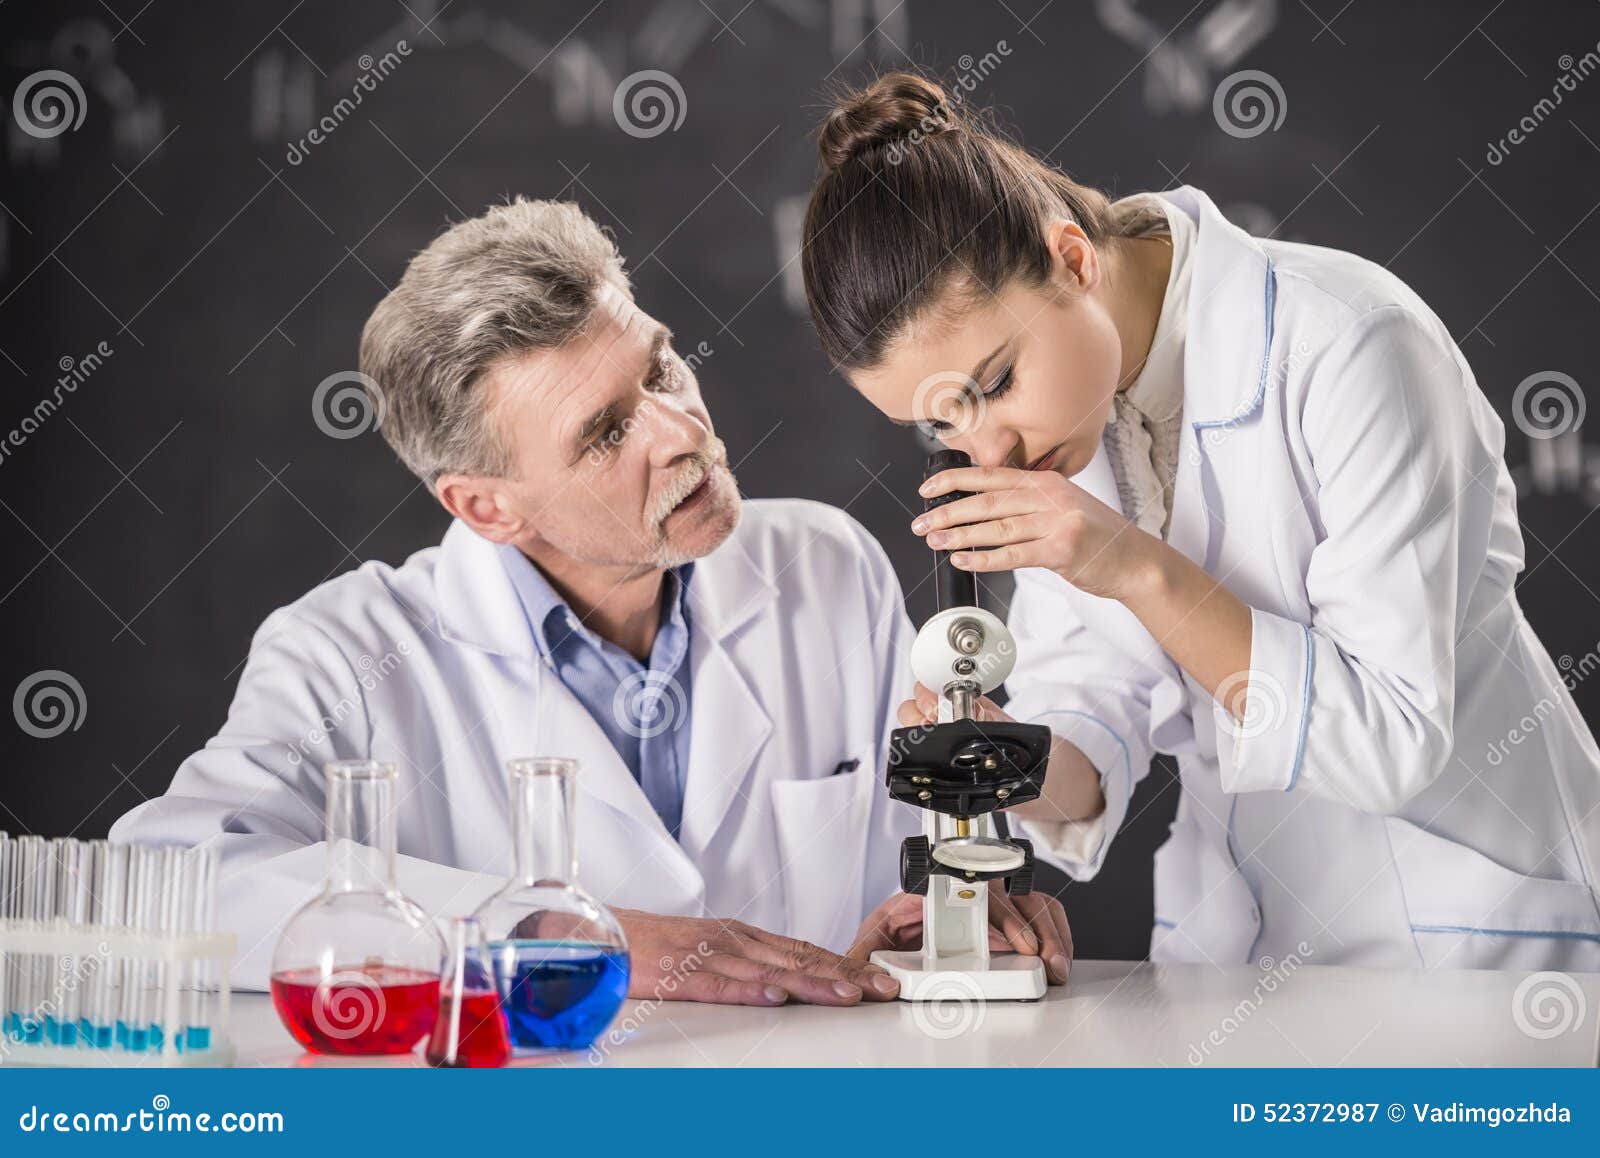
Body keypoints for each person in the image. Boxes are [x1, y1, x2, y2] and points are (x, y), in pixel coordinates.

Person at [112, 198, 1071, 1000]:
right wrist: (552, 935)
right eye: (605, 434)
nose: (678, 432)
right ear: (486, 506)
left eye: (658, 369)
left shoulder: (824, 567)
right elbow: (172, 883)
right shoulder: (348, 653)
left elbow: (909, 862)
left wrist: (951, 908)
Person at [800, 72, 1600, 971]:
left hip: (1471, 958)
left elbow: (1391, 739)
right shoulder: (1072, 425)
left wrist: (1133, 565)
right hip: (1235, 965)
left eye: (995, 385)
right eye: (945, 421)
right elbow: (1096, 709)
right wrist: (1002, 758)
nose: (989, 452)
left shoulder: (1356, 342)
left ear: (1071, 259)